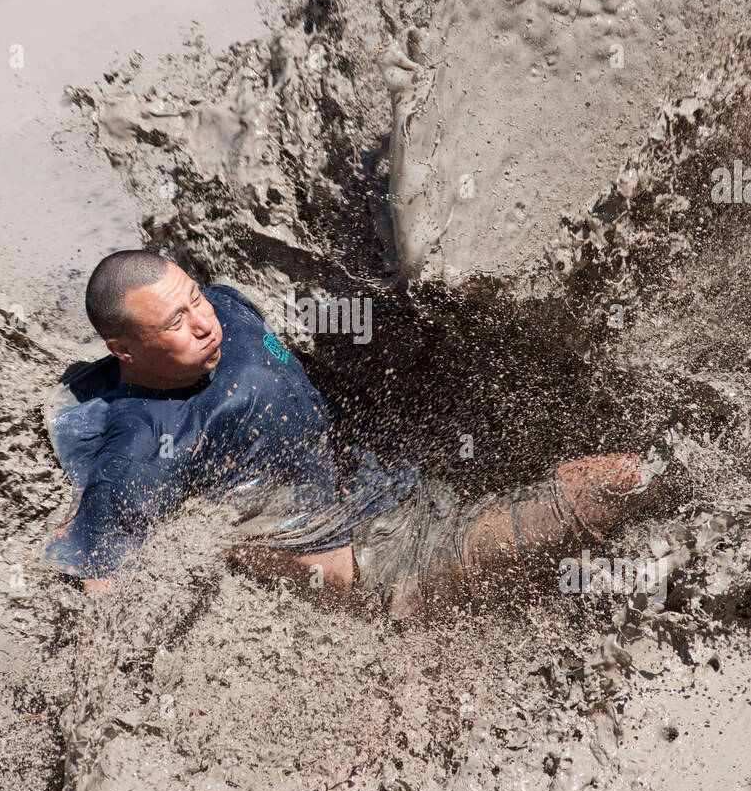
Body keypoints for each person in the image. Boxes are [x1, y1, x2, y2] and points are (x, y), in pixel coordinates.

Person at [42, 250, 671, 618]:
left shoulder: (227, 309)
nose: (202, 322)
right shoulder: (144, 447)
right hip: (379, 565)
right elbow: (101, 579)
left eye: (195, 298)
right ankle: (696, 474)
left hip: (393, 475)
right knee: (618, 481)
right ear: (122, 349)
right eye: (175, 321)